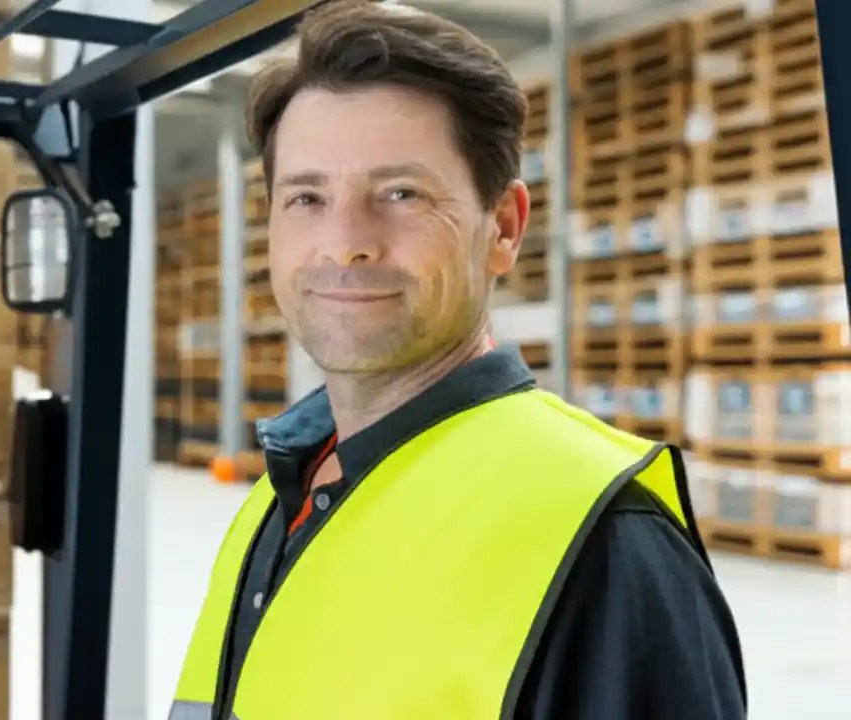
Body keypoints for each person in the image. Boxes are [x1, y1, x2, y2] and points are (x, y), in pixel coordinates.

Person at [168, 2, 748, 719]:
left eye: (401, 194)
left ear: (503, 228)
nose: (343, 243)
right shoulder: (279, 494)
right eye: (307, 197)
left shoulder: (604, 542)